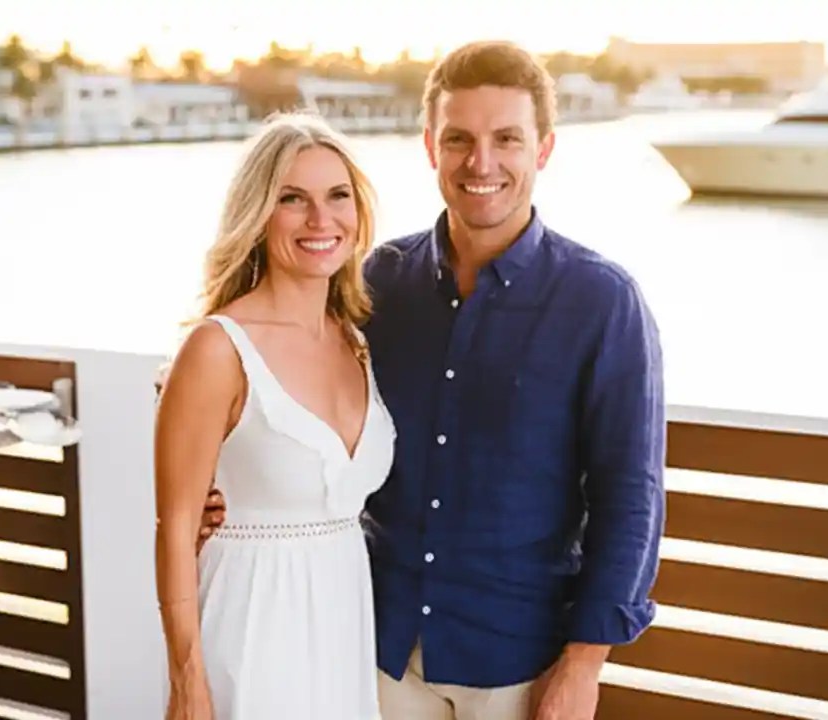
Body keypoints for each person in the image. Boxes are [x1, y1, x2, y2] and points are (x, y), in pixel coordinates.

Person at [192, 40, 666, 720]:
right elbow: (278, 362)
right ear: (429, 147)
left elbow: (631, 498)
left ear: (544, 149)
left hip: (516, 662)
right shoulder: (376, 280)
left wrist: (584, 665)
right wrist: (222, 476)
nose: (482, 162)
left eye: (507, 139)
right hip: (374, 648)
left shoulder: (602, 301)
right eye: (459, 139)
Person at [152, 112, 396, 720]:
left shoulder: (355, 342)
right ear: (259, 214)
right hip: (251, 620)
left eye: (338, 196)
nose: (321, 220)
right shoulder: (217, 348)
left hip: (342, 619)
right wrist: (187, 682)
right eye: (293, 199)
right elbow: (177, 529)